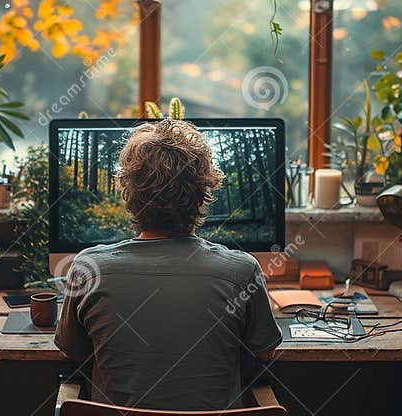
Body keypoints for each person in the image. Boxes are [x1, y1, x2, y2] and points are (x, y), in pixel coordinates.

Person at [54, 118, 282, 411]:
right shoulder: (242, 272)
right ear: (203, 192)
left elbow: (74, 350)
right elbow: (263, 354)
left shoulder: (89, 269)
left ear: (128, 190)